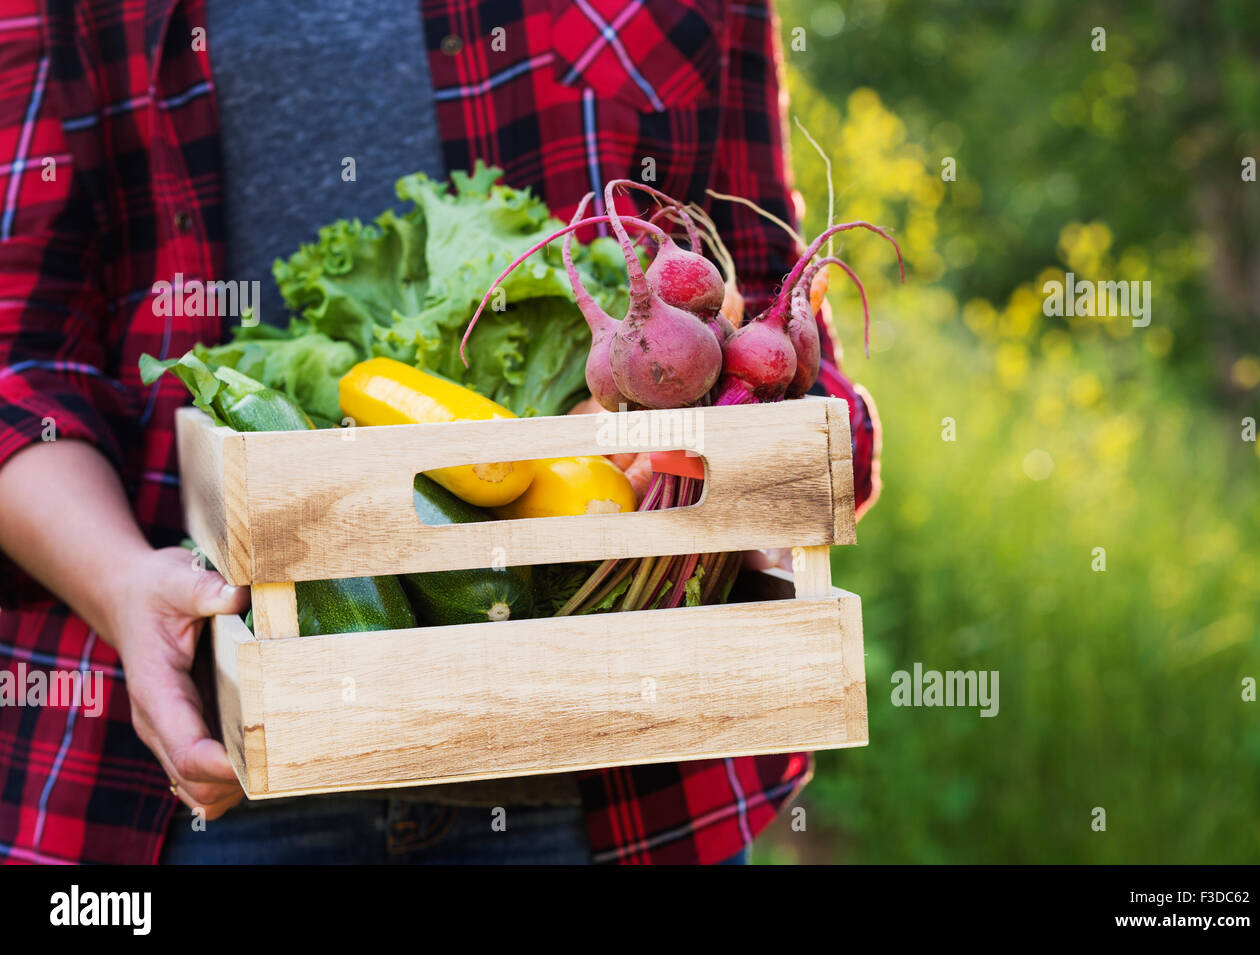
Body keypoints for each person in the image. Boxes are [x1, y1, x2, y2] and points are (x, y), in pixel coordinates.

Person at [0, 0, 881, 865]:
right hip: (216, 767)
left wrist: (762, 448)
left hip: (626, 771)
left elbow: (767, 300)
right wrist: (119, 583)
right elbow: (19, 364)